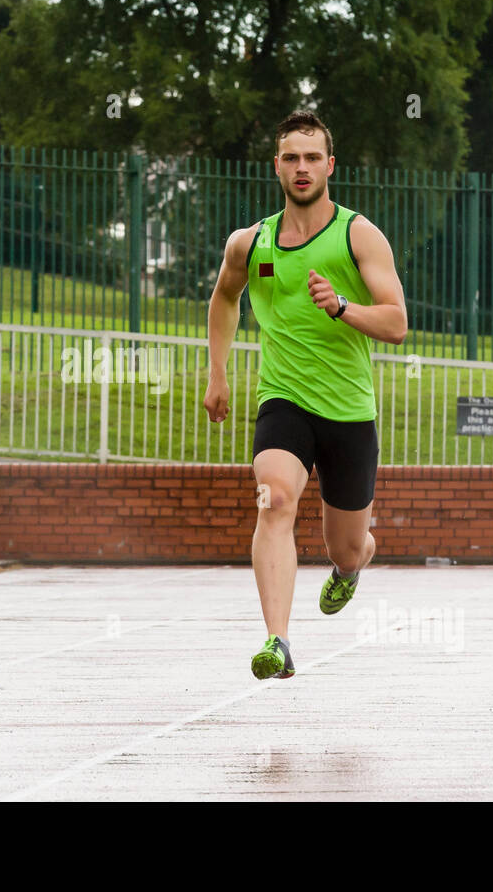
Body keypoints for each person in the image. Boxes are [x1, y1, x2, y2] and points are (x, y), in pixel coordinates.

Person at [203, 110, 408, 680]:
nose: (301, 167)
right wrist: (218, 373)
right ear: (277, 165)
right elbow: (224, 300)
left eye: (312, 157)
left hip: (347, 411)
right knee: (274, 497)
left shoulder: (357, 234)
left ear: (330, 166)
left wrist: (342, 306)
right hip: (284, 400)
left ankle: (352, 566)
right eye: (291, 157)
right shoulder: (251, 243)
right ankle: (278, 640)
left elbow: (396, 323)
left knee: (345, 546)